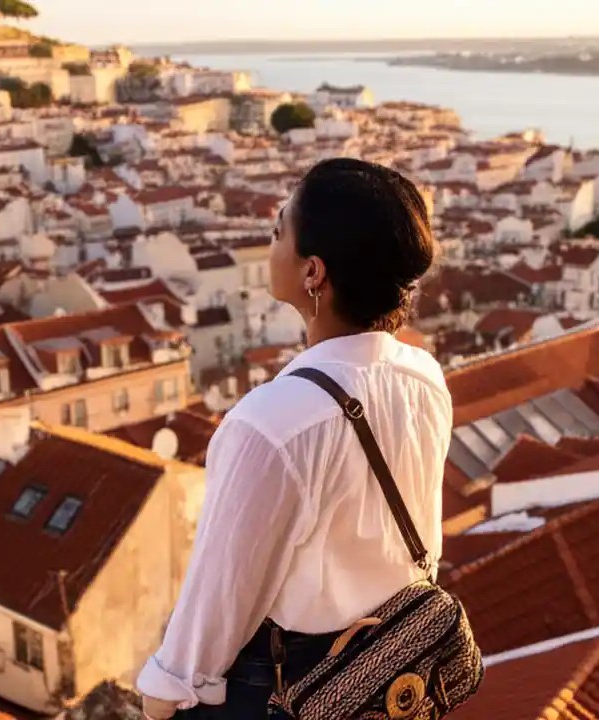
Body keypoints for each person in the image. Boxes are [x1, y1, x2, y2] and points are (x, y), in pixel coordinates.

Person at [136, 158, 452, 720]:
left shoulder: (271, 423)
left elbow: (221, 596)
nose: (270, 241)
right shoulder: (423, 376)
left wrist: (162, 697)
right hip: (391, 668)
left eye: (279, 230)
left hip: (287, 687)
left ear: (313, 272)